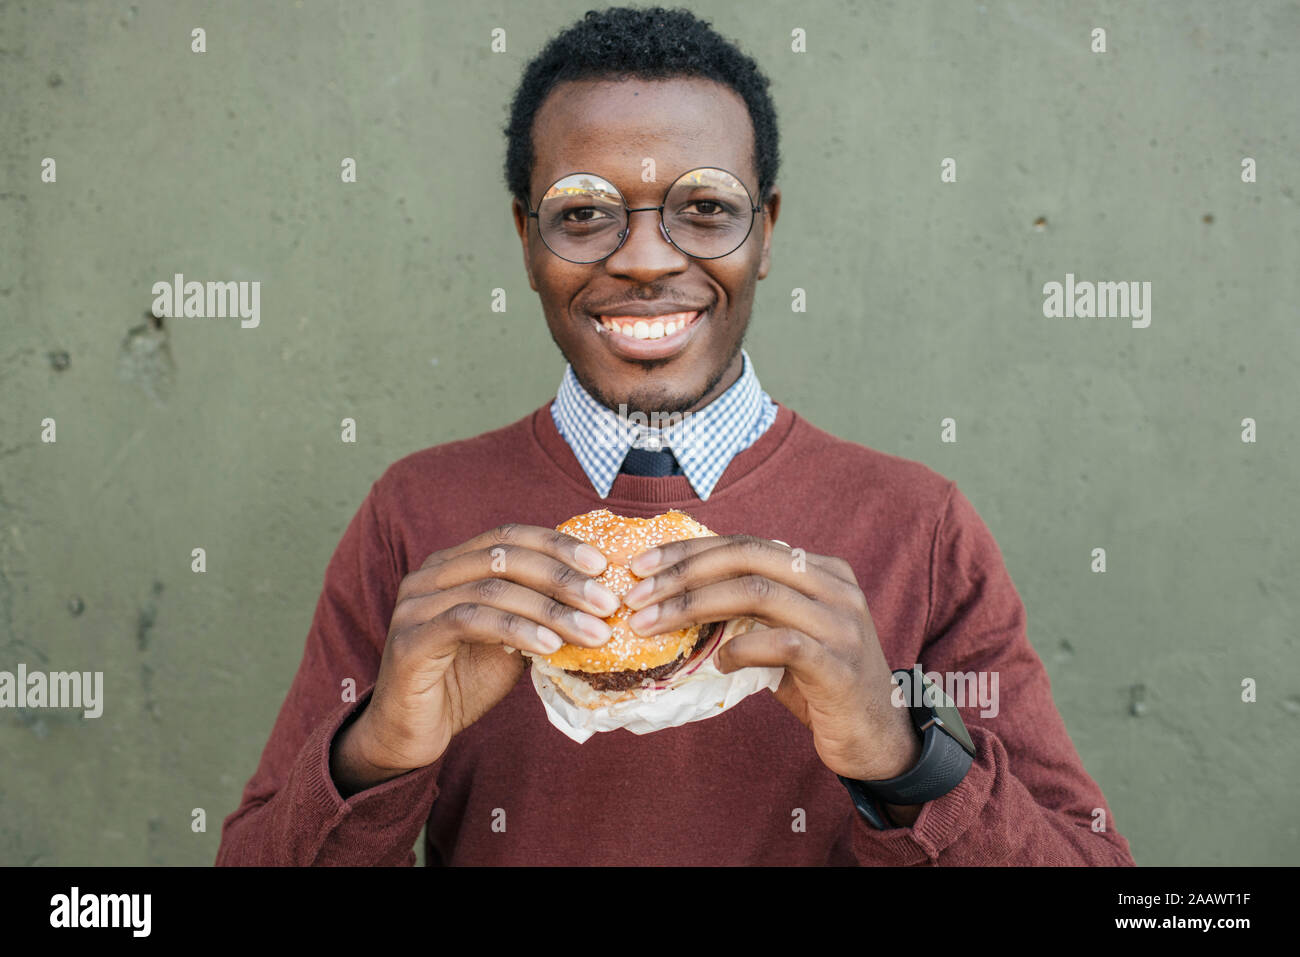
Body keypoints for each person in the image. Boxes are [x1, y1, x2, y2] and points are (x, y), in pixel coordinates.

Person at [216, 6, 1135, 866]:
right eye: (582, 214)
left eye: (705, 209)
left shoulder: (918, 525)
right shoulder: (415, 517)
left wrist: (900, 756)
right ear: (526, 241)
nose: (647, 258)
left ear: (763, 232)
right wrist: (375, 754)